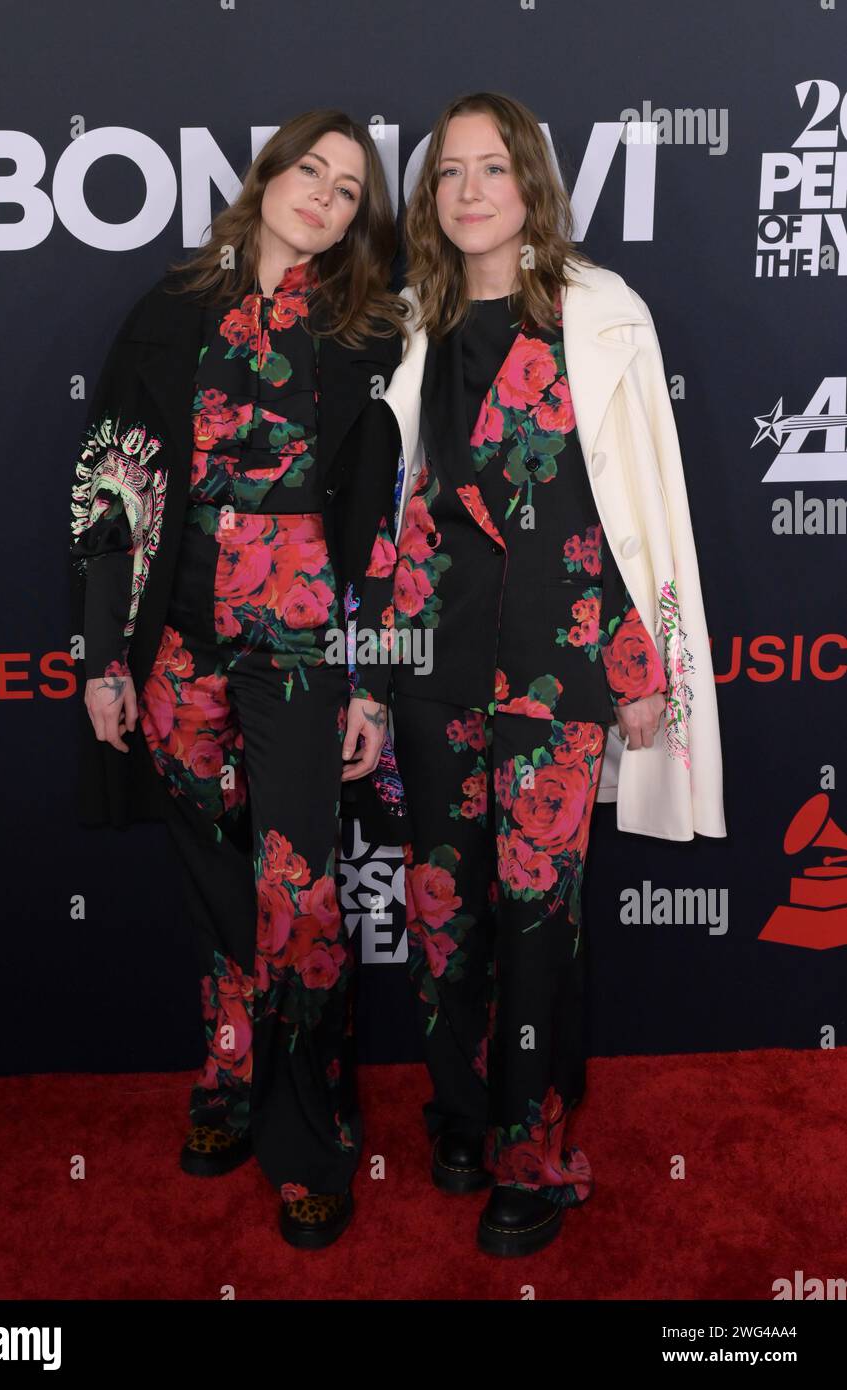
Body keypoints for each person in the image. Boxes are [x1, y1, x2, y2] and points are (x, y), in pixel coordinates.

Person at [375, 92, 727, 1257]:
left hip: (555, 673)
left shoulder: (597, 315)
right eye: (448, 173)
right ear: (430, 198)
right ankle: (462, 1113)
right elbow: (388, 522)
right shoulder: (409, 322)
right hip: (429, 668)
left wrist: (639, 670)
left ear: (531, 182)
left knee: (536, 920)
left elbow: (625, 512)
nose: (469, 191)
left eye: (492, 168)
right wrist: (376, 675)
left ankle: (538, 1153)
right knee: (440, 912)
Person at [68, 109, 408, 1250]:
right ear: (265, 177)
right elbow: (109, 487)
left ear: (361, 219)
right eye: (307, 169)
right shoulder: (171, 310)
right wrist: (102, 654)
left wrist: (368, 679)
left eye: (348, 188)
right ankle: (226, 1085)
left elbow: (383, 522)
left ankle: (307, 1134)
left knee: (299, 886)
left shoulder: (368, 333)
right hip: (174, 642)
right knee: (217, 886)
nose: (321, 193)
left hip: (305, 642)